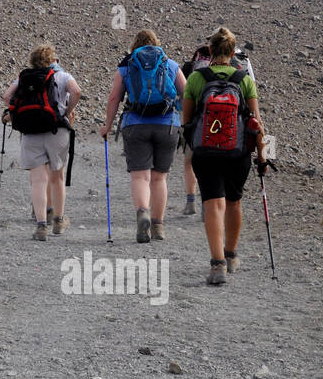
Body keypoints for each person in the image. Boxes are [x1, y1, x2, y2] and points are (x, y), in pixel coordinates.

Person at [181, 26, 268, 286]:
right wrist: (262, 156)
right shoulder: (244, 79)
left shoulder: (197, 79)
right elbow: (256, 122)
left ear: (210, 50)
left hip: (206, 152)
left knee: (212, 203)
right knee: (233, 202)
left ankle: (216, 263)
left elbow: (185, 120)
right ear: (232, 52)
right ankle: (230, 256)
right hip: (237, 151)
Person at [99, 30, 186, 243]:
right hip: (167, 126)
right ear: (157, 44)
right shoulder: (170, 64)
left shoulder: (127, 66)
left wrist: (107, 125)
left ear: (134, 46)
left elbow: (113, 98)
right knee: (159, 178)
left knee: (140, 177)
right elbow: (187, 92)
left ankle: (143, 213)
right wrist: (184, 121)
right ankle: (158, 226)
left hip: (135, 125)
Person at [2, 45, 81, 241]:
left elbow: (6, 96)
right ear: (53, 59)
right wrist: (66, 111)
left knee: (38, 181)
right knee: (57, 178)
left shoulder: (23, 77)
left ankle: (40, 226)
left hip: (30, 132)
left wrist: (18, 112)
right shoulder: (62, 76)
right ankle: (58, 221)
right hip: (57, 130)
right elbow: (77, 92)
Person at [179, 44, 212, 215]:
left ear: (197, 54)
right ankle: (207, 203)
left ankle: (190, 202)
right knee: (210, 165)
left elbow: (182, 97)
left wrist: (184, 125)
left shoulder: (189, 68)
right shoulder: (219, 71)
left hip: (193, 124)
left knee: (189, 163)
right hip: (216, 126)